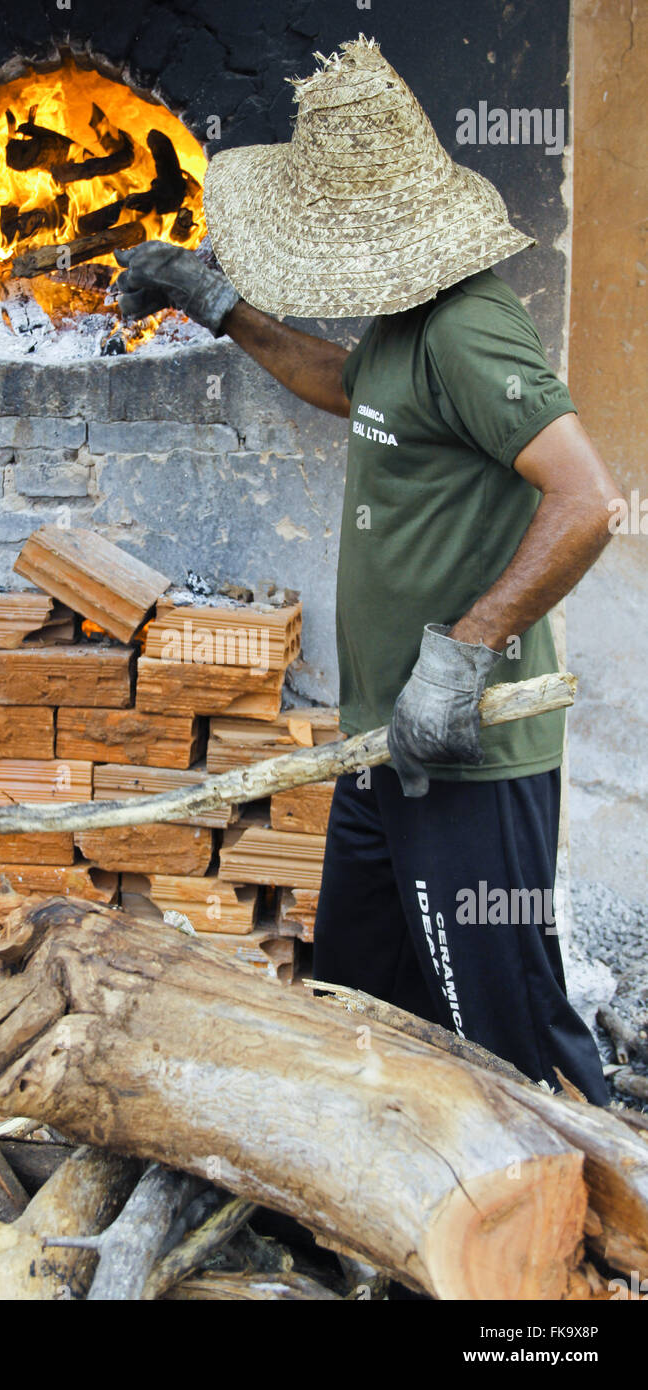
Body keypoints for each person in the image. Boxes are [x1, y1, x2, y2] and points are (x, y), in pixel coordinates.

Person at [114, 37, 618, 1104]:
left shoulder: (471, 326)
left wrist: (466, 653)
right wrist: (217, 305)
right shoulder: (404, 322)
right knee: (362, 997)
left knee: (506, 1031)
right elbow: (350, 387)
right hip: (383, 739)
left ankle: (587, 1239)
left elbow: (587, 500)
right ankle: (385, 1235)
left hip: (464, 748)